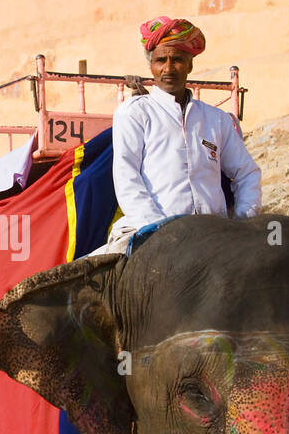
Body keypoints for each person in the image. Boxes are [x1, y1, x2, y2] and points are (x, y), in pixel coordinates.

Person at [97, 16, 261, 255]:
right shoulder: (134, 113)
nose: (168, 68)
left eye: (177, 60)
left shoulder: (217, 120)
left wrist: (242, 221)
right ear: (151, 66)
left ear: (190, 65)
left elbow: (247, 173)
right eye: (161, 60)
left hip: (214, 235)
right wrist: (157, 230)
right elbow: (126, 176)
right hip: (151, 233)